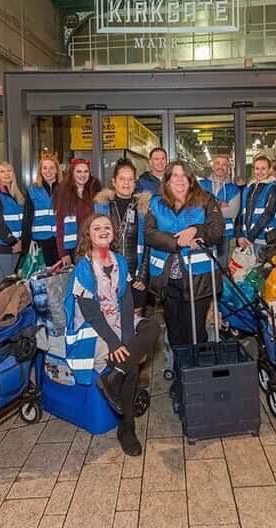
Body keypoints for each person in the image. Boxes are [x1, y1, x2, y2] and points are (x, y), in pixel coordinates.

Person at [64, 214, 160, 456]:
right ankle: (126, 428)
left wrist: (127, 337)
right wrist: (116, 342)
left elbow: (127, 301)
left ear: (113, 233)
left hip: (117, 318)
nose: (104, 230)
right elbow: (91, 312)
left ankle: (113, 376)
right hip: (91, 326)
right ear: (89, 235)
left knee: (153, 327)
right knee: (129, 365)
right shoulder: (83, 268)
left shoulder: (120, 261)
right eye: (97, 228)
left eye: (107, 227)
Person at [145, 161, 224, 347]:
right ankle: (179, 369)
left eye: (183, 175)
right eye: (174, 175)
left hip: (198, 279)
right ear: (167, 180)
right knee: (174, 329)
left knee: (195, 331)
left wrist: (196, 230)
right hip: (167, 279)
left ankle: (196, 369)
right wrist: (175, 242)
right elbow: (149, 233)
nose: (179, 179)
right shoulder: (156, 202)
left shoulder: (205, 199)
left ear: (190, 179)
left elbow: (217, 230)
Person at [94, 159, 151, 313]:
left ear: (135, 182)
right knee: (113, 322)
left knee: (135, 323)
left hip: (135, 277)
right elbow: (94, 243)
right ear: (114, 181)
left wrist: (143, 274)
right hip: (109, 275)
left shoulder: (143, 207)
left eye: (130, 179)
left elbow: (148, 243)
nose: (126, 183)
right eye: (122, 179)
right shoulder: (102, 206)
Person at [0, 161, 28, 282]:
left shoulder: (16, 194)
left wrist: (20, 241)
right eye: (2, 171)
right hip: (0, 245)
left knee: (10, 282)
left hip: (14, 245)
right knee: (5, 283)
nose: (6, 174)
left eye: (9, 171)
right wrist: (13, 242)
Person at [53, 158, 102, 266]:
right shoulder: (63, 193)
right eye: (78, 171)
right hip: (72, 249)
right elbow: (60, 226)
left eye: (86, 171)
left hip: (92, 245)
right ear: (72, 173)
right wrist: (63, 253)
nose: (82, 175)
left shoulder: (96, 192)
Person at [236, 155, 276, 261]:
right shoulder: (248, 188)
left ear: (269, 170)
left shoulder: (272, 188)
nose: (260, 171)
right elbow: (241, 213)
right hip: (247, 239)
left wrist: (250, 237)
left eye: (264, 168)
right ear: (253, 170)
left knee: (262, 274)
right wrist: (239, 235)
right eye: (257, 168)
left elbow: (268, 215)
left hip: (264, 240)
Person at [198, 154, 241, 267]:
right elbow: (197, 208)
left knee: (222, 268)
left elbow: (232, 212)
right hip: (203, 232)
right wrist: (220, 205)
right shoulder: (201, 185)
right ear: (212, 166)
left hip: (224, 235)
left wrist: (209, 207)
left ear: (228, 168)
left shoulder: (234, 189)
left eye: (224, 164)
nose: (221, 167)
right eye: (218, 163)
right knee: (204, 267)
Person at [23, 152, 61, 267]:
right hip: (40, 240)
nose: (48, 171)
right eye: (44, 168)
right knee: (43, 275)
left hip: (59, 239)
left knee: (60, 274)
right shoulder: (32, 190)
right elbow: (27, 218)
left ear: (56, 170)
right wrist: (25, 243)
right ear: (40, 170)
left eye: (51, 168)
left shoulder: (64, 189)